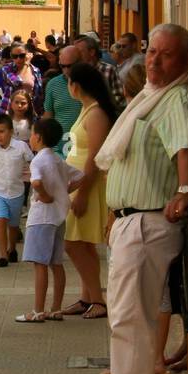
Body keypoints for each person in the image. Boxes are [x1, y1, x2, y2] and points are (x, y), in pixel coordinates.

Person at [83, 24, 188, 374]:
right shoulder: (152, 96)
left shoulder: (179, 98)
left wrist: (185, 191)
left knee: (133, 324)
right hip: (133, 221)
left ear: (186, 60)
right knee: (124, 322)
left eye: (166, 55)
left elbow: (186, 148)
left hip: (151, 222)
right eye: (152, 52)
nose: (154, 60)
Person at [59, 61, 116, 321]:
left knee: (73, 243)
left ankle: (97, 299)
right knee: (81, 242)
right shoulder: (86, 109)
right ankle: (87, 297)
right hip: (78, 184)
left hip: (89, 187)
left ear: (76, 85)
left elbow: (95, 157)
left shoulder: (96, 114)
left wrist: (82, 192)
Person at [15, 117, 82, 324]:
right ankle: (55, 309)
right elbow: (80, 175)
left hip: (41, 218)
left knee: (40, 264)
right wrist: (64, 191)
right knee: (56, 263)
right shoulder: (58, 159)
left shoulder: (38, 160)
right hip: (59, 217)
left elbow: (35, 182)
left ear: (38, 137)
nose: (31, 138)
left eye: (32, 133)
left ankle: (37, 310)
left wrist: (44, 195)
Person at [0, 113, 32, 267]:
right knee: (0, 220)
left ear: (11, 131)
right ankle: (3, 255)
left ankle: (12, 249)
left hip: (17, 192)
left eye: (1, 131)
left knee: (13, 225)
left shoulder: (21, 147)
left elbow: (32, 162)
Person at [43, 45, 84, 155]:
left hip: (83, 147)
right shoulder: (53, 84)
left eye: (69, 66)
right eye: (62, 66)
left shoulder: (90, 84)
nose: (66, 70)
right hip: (59, 148)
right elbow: (48, 116)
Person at [76, 34, 126, 112]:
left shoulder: (108, 70)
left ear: (92, 52)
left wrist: (99, 107)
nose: (77, 55)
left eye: (80, 52)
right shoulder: (77, 72)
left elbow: (119, 97)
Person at [0, 41, 43, 114]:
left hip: (29, 113)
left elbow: (38, 94)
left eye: (22, 55)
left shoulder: (35, 70)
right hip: (9, 113)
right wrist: (26, 64)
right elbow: (16, 83)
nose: (18, 59)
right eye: (15, 56)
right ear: (11, 56)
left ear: (27, 54)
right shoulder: (7, 69)